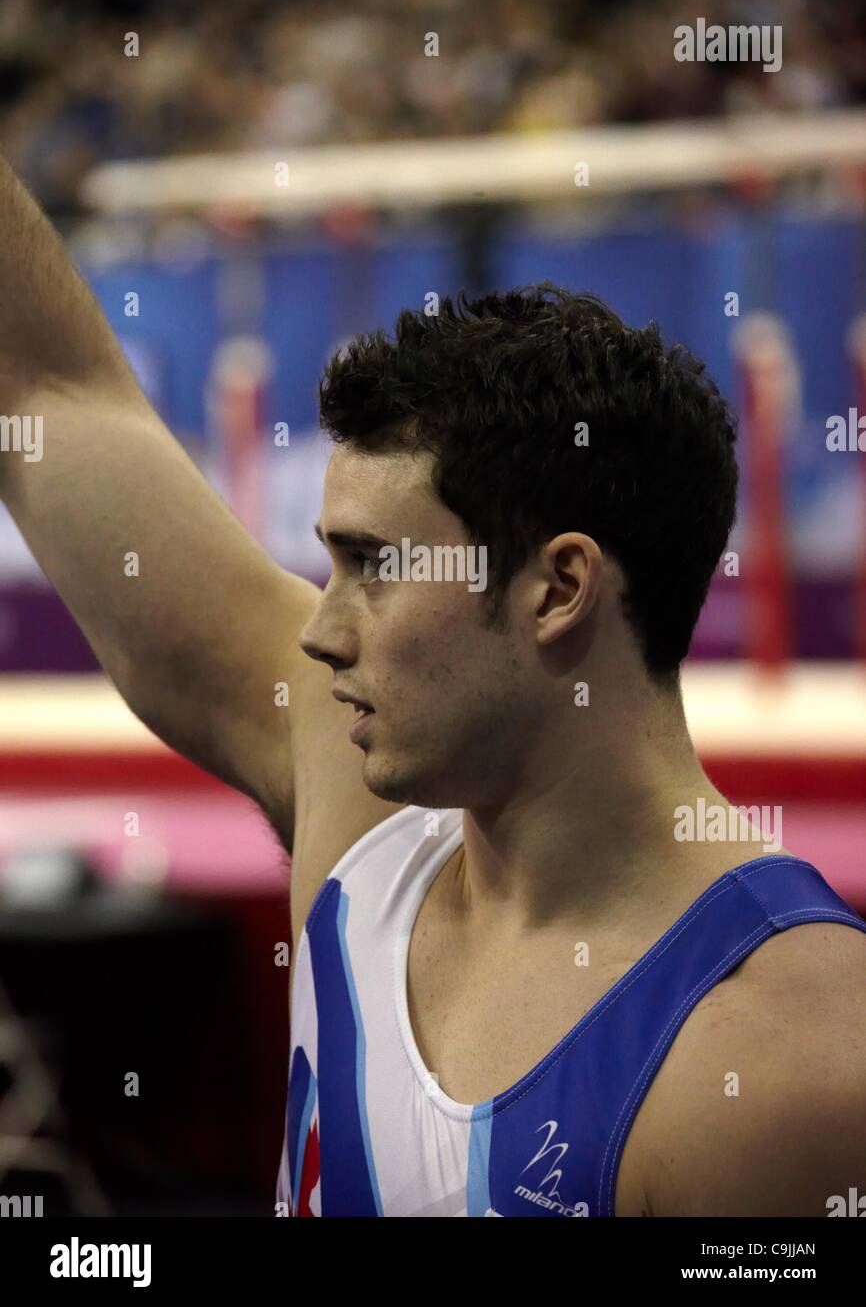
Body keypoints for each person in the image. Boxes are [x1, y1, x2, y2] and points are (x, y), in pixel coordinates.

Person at [1, 157, 865, 1218]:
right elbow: (48, 388)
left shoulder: (786, 1058)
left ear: (556, 587)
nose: (316, 633)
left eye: (373, 566)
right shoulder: (364, 824)